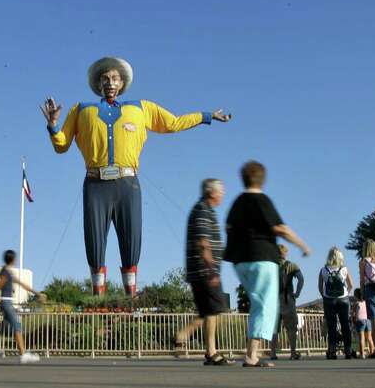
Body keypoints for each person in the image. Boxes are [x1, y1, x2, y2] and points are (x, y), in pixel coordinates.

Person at [41, 56, 231, 296]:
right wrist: (53, 126)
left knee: (131, 238)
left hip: (127, 183)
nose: (110, 82)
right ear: (98, 84)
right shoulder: (81, 110)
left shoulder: (140, 108)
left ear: (121, 83)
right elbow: (61, 145)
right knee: (94, 239)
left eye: (114, 78)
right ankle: (98, 298)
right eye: (105, 79)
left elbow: (173, 123)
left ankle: (130, 296)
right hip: (95, 184)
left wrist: (206, 116)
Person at [223, 161, 310, 368]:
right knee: (266, 306)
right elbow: (281, 229)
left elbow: (228, 227)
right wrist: (302, 245)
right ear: (262, 179)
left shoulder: (237, 202)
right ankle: (251, 355)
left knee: (257, 304)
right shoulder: (261, 200)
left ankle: (253, 351)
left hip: (240, 262)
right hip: (262, 258)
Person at [174, 178, 230, 365]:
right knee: (214, 309)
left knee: (208, 311)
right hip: (204, 271)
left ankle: (207, 350)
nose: (223, 194)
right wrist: (212, 269)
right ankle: (196, 342)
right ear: (212, 192)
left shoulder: (203, 209)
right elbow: (203, 241)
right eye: (221, 191)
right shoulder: (203, 210)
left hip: (200, 270)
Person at [0, 250, 45, 364]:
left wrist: (37, 293)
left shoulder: (9, 272)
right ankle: (23, 355)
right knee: (17, 326)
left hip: (7, 303)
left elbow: (23, 284)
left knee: (2, 330)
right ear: (13, 259)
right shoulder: (5, 272)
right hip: (6, 303)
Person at [319, 247, 355, 359]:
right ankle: (348, 350)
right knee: (345, 325)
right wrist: (346, 294)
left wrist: (325, 296)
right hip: (343, 299)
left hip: (329, 300)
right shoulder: (344, 269)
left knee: (332, 326)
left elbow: (320, 286)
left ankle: (332, 351)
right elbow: (351, 285)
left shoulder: (323, 269)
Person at [271, 244, 304, 361]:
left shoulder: (271, 266)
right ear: (285, 253)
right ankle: (293, 353)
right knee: (291, 328)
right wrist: (297, 293)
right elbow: (301, 279)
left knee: (274, 328)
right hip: (288, 299)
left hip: (273, 300)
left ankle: (273, 353)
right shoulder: (292, 265)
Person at [352, 288, 374, 358]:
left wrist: (353, 321)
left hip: (360, 321)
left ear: (356, 296)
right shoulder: (366, 302)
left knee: (362, 338)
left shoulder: (356, 303)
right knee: (369, 337)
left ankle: (362, 354)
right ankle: (372, 352)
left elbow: (353, 314)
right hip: (368, 320)